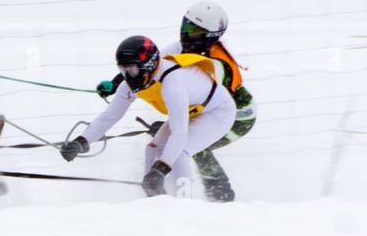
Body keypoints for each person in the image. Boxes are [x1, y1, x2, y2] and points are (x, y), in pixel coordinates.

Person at [95, 2, 254, 200]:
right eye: (185, 26)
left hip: (239, 116)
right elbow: (150, 63)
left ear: (210, 36)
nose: (186, 34)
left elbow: (205, 105)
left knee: (190, 147)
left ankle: (220, 194)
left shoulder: (219, 65)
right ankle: (165, 191)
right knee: (176, 145)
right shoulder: (179, 47)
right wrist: (115, 83)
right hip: (200, 111)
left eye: (194, 31)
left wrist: (171, 128)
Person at [63, 35, 237, 199]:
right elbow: (110, 116)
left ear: (149, 65)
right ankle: (156, 198)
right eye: (122, 69)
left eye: (131, 68)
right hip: (192, 111)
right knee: (153, 148)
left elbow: (179, 134)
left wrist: (160, 170)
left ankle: (185, 204)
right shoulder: (133, 83)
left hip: (216, 112)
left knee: (180, 153)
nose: (126, 75)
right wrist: (81, 142)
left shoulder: (172, 83)